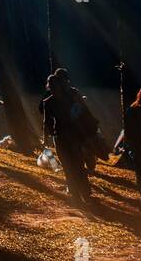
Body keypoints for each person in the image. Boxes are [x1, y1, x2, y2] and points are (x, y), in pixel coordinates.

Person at [40, 69, 99, 205]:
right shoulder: (62, 99)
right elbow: (48, 121)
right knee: (75, 164)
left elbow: (47, 122)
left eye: (52, 85)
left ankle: (78, 193)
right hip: (69, 136)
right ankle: (83, 193)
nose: (52, 88)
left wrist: (46, 137)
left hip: (64, 137)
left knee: (71, 165)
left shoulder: (51, 101)